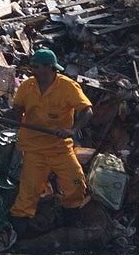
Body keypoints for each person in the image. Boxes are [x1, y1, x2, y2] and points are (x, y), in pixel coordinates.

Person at [7, 47, 92, 226]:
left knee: (76, 186)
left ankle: (70, 224)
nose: (32, 70)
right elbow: (16, 114)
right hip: (34, 150)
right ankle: (18, 233)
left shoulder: (67, 86)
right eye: (32, 66)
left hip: (60, 149)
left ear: (49, 68)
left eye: (36, 67)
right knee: (27, 196)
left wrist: (72, 130)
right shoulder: (26, 86)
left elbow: (87, 111)